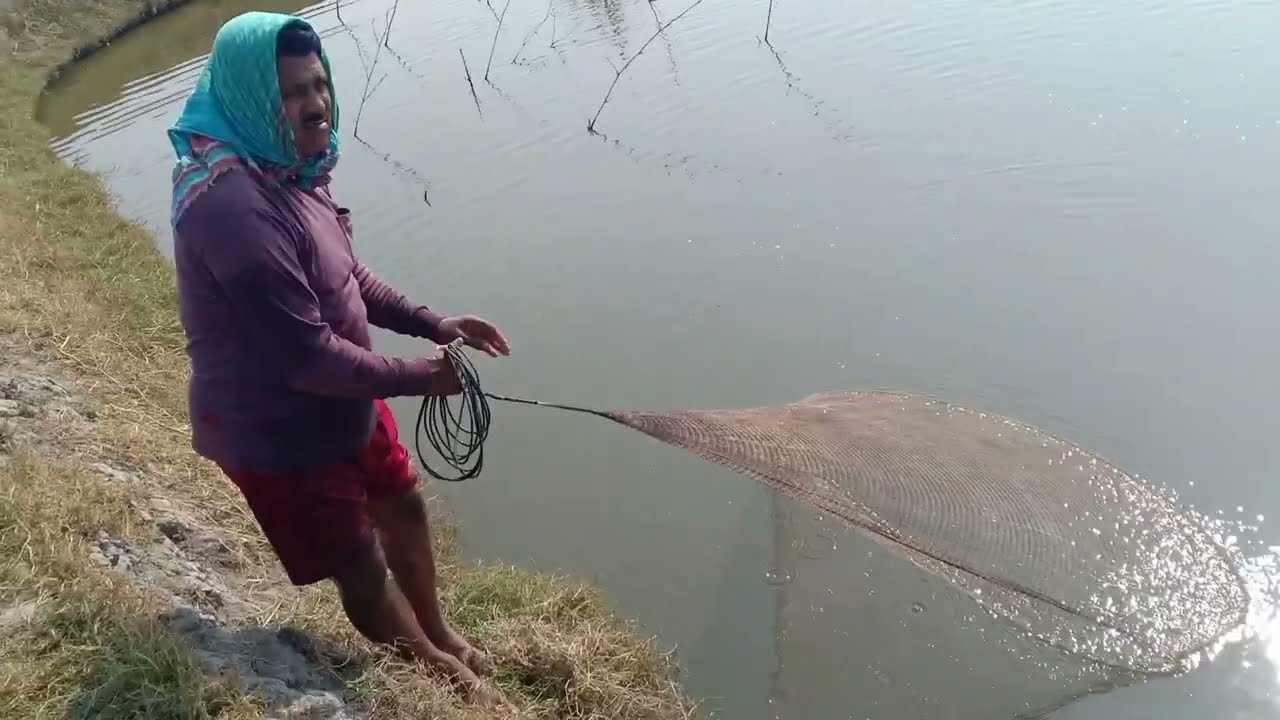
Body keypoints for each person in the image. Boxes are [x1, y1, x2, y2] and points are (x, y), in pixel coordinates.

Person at [167, 11, 515, 712]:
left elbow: (346, 276)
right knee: (358, 562)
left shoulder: (290, 167)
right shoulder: (232, 208)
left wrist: (432, 324)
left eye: (318, 84)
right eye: (292, 93)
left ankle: (440, 632)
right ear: (253, 101)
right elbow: (306, 358)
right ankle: (444, 676)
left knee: (402, 503)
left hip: (346, 395)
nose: (315, 103)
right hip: (276, 428)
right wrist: (422, 377)